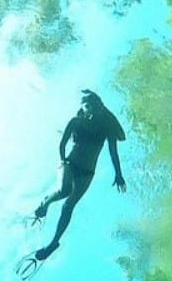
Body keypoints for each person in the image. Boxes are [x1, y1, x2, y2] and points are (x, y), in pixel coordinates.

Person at [32, 89, 126, 261]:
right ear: (84, 108)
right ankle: (44, 204)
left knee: (68, 206)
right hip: (69, 164)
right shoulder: (76, 122)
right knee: (64, 191)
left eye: (97, 106)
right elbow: (62, 144)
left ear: (101, 107)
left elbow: (115, 148)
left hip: (87, 173)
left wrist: (118, 174)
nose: (94, 109)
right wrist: (63, 161)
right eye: (89, 106)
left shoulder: (107, 127)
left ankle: (53, 243)